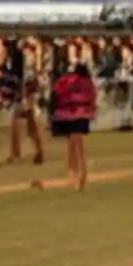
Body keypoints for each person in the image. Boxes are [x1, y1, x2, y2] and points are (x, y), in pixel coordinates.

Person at [49, 63, 97, 191]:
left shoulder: (67, 81)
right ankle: (82, 176)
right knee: (79, 147)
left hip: (67, 115)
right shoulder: (87, 83)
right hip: (82, 115)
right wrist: (92, 112)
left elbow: (56, 93)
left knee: (72, 148)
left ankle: (74, 176)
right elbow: (92, 98)